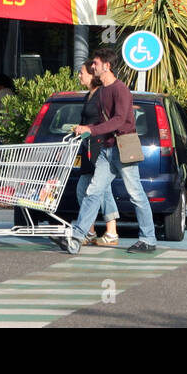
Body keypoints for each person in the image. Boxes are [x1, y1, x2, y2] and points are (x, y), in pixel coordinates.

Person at [71, 46, 157, 253]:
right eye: (93, 63)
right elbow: (102, 121)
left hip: (124, 146)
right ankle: (77, 235)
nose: (93, 66)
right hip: (107, 149)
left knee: (135, 193)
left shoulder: (120, 90)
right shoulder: (102, 91)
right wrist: (87, 130)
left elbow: (120, 120)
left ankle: (148, 239)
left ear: (107, 66)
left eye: (96, 63)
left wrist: (91, 130)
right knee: (93, 191)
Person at [73, 61, 119, 246]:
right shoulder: (89, 95)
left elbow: (104, 121)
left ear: (93, 75)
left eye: (82, 73)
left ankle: (106, 231)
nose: (79, 76)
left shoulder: (101, 94)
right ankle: (94, 231)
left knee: (96, 189)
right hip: (88, 146)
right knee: (91, 189)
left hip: (99, 147)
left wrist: (89, 130)